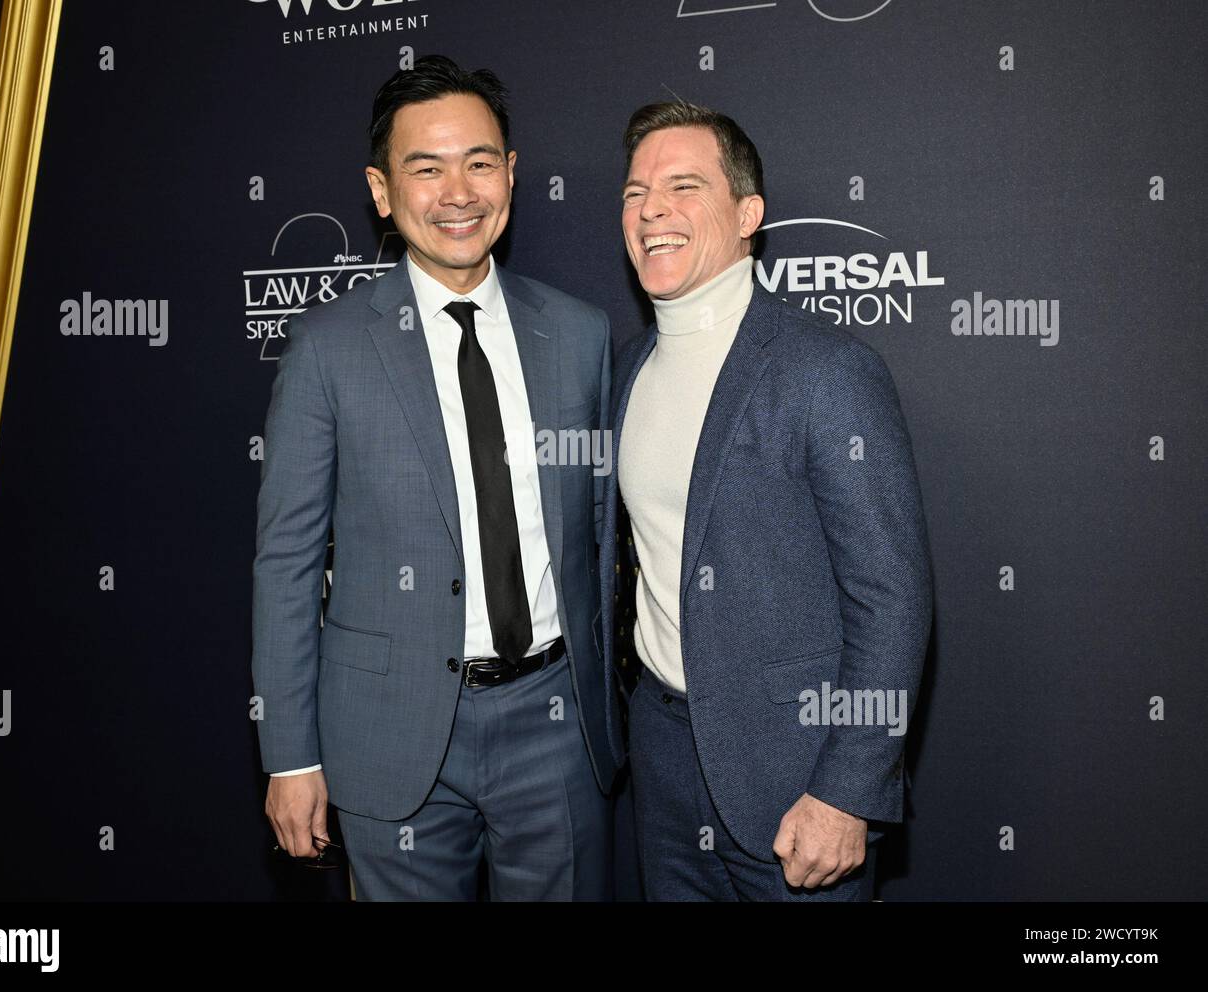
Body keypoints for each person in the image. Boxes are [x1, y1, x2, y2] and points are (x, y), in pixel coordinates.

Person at [252, 55, 619, 900]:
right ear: (382, 191)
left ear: (512, 175)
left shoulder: (580, 335)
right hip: (388, 733)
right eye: (427, 167)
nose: (459, 191)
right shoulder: (328, 349)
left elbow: (602, 537)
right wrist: (291, 756)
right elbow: (286, 564)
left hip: (557, 728)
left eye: (480, 162)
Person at [600, 99, 933, 900]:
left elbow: (893, 598)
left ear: (747, 213)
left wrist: (849, 789)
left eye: (684, 186)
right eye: (635, 192)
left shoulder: (825, 371)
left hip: (797, 775)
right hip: (664, 758)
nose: (652, 210)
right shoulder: (626, 370)